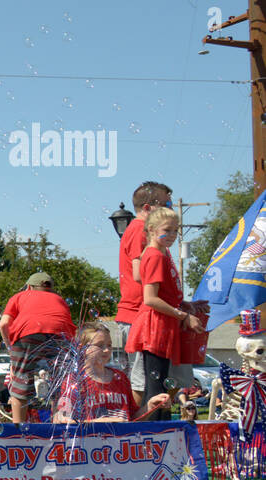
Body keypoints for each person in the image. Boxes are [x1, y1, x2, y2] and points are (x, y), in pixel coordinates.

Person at [125, 206, 200, 411]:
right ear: (151, 229)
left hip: (161, 326)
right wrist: (183, 315)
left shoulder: (157, 254)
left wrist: (183, 305)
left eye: (176, 230)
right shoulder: (156, 256)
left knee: (159, 388)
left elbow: (153, 287)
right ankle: (152, 433)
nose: (172, 235)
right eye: (167, 230)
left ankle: (157, 431)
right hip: (156, 328)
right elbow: (150, 299)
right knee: (156, 391)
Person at [115, 180, 173, 406]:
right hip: (139, 314)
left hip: (140, 314)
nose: (169, 209)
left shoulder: (136, 230)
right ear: (148, 208)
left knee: (149, 380)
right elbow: (141, 273)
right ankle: (138, 429)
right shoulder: (141, 230)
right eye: (166, 204)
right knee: (143, 382)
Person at [54, 322, 170, 422]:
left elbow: (132, 420)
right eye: (100, 345)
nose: (107, 350)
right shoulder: (74, 381)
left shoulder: (120, 378)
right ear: (81, 348)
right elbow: (66, 422)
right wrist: (102, 422)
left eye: (109, 345)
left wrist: (149, 407)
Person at [0, 272, 74, 424]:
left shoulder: (20, 296)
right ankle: (58, 423)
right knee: (60, 383)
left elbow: (4, 324)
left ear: (28, 287)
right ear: (51, 289)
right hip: (61, 334)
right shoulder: (59, 299)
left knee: (21, 382)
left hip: (27, 333)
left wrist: (10, 346)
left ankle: (18, 429)